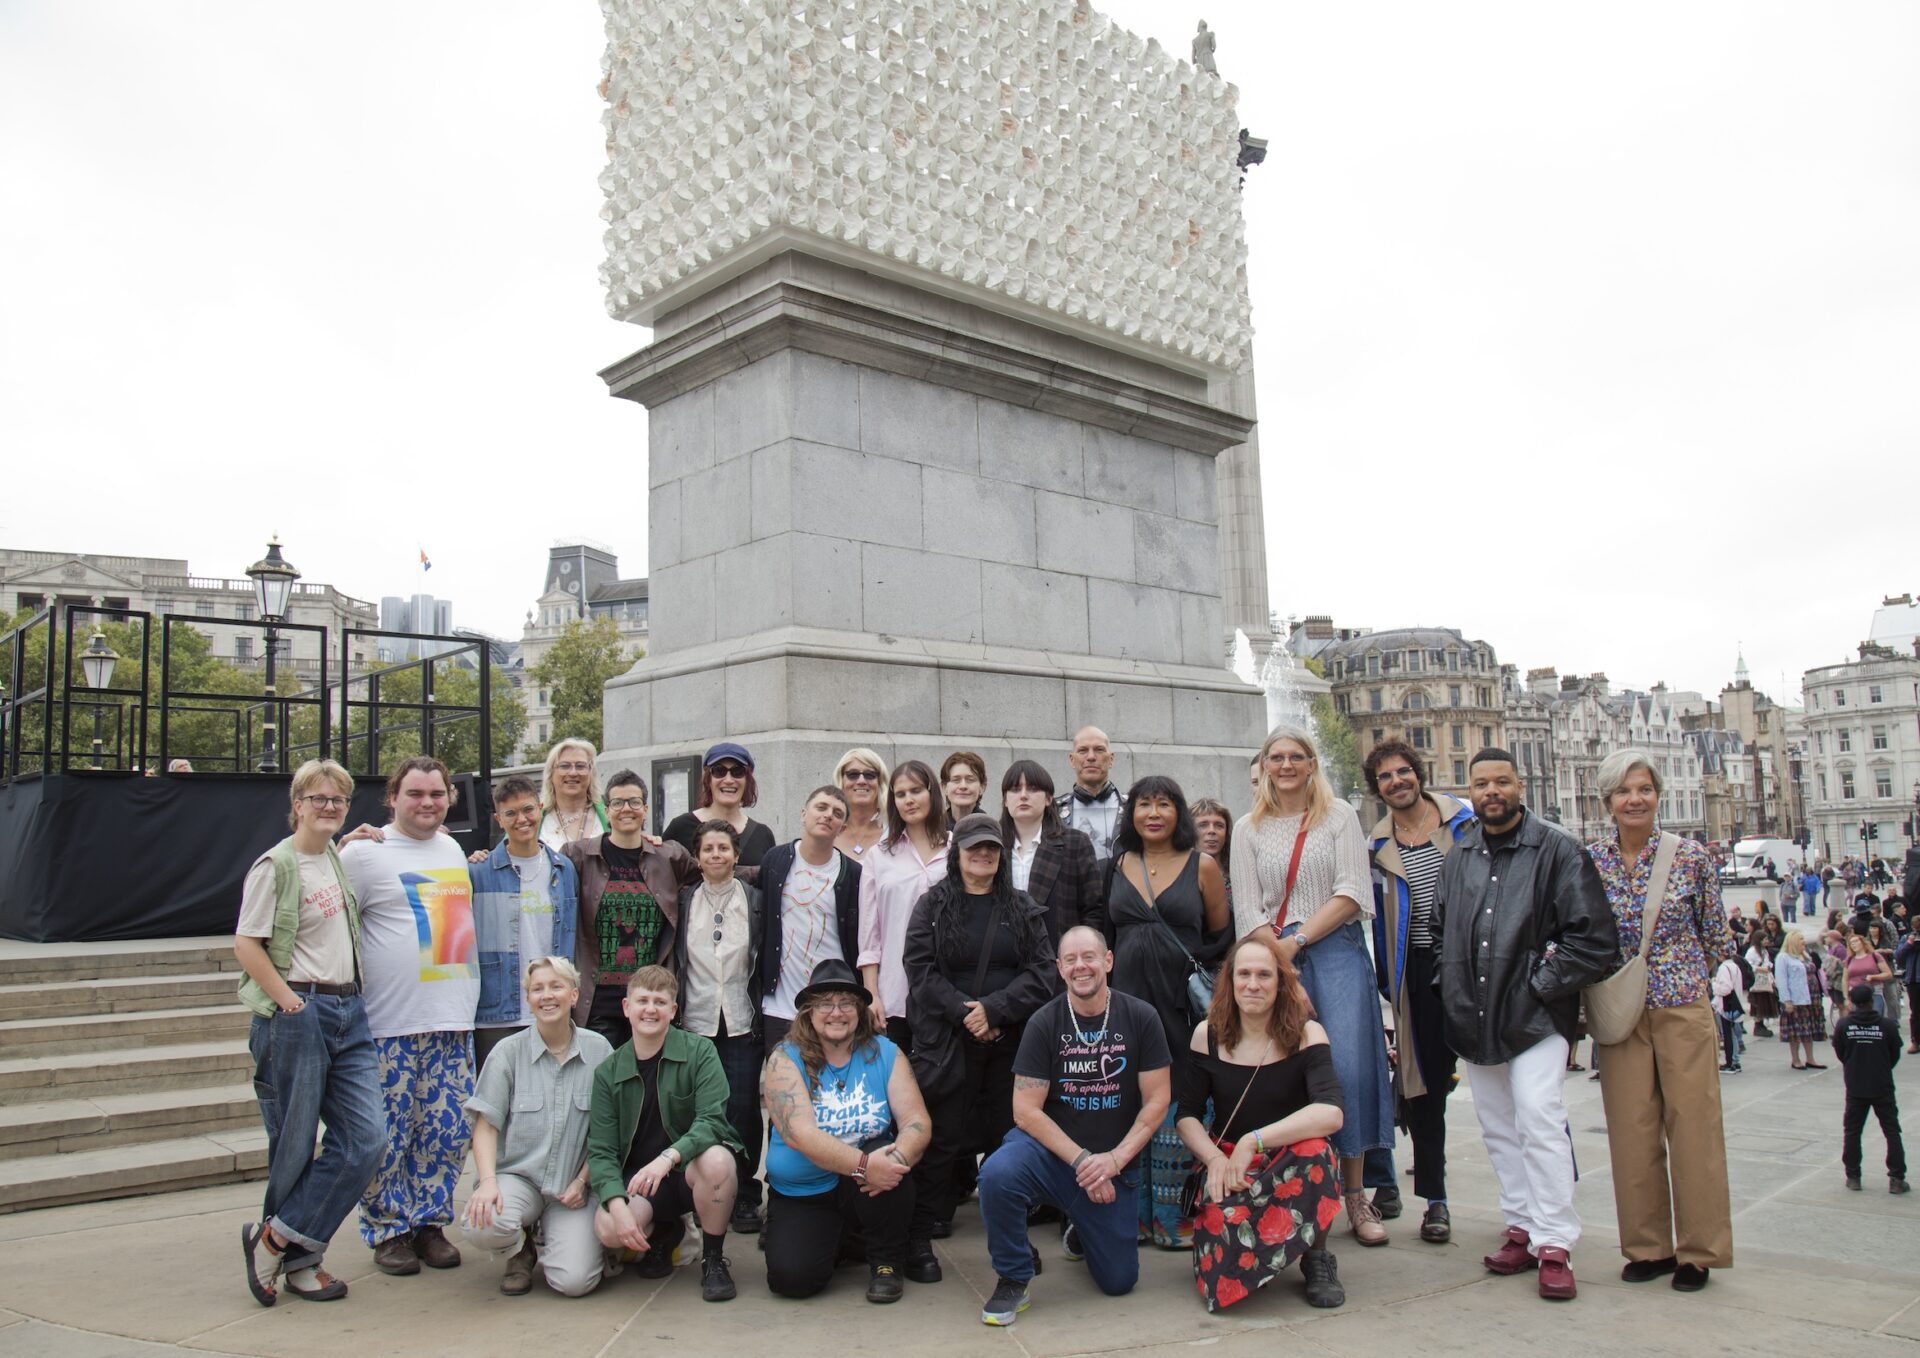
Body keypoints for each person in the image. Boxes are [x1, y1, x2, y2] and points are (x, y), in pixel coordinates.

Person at [1431, 748, 1620, 1302]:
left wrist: (1538, 985)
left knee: (1540, 1117)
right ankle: (1521, 1224)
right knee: (1495, 1124)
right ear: (1470, 792)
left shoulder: (1558, 849)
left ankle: (1555, 1240)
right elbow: (1441, 930)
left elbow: (1595, 940)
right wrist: (1452, 984)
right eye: (1480, 784)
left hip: (1535, 1015)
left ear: (1519, 786)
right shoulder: (1460, 853)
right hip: (1473, 1013)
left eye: (1501, 782)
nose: (1491, 792)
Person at [1231, 727, 1394, 1249]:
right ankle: (1292, 1188)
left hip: (1332, 950)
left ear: (1311, 763)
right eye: (1275, 756)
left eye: (1295, 756)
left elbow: (1351, 890)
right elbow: (1247, 910)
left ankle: (1354, 1193)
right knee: (1279, 1070)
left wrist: (1296, 942)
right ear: (1265, 764)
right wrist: (1280, 958)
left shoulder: (1339, 815)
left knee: (1346, 1069)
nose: (1285, 765)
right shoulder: (1246, 828)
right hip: (1273, 956)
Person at [234, 758, 383, 1306]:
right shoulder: (276, 866)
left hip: (350, 1011)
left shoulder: (335, 860)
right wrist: (290, 1003)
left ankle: (275, 1237)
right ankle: (301, 1261)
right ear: (296, 804)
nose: (328, 807)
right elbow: (247, 943)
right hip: (300, 1010)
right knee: (294, 1143)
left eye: (338, 800)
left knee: (367, 1140)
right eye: (317, 799)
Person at [1584, 750, 1733, 1292]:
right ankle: (1648, 1247)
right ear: (1607, 802)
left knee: (1694, 1127)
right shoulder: (1591, 862)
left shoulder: (1691, 858)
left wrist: (1682, 977)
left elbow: (1717, 937)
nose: (1635, 800)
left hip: (1680, 1004)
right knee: (1632, 1129)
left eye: (1644, 789)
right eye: (1623, 792)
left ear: (1658, 795)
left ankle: (1699, 1251)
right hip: (1620, 1010)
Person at [975, 925, 1172, 1325]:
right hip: (1052, 1155)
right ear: (1059, 968)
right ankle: (1013, 1276)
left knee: (1119, 1281)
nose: (1081, 967)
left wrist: (1114, 1160)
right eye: (1071, 960)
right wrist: (1083, 1161)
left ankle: (1083, 1230)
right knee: (996, 1173)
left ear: (1108, 961)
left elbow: (1157, 1100)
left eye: (1089, 957)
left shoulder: (1140, 1017)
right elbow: (1025, 1111)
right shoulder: (1044, 1023)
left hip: (1112, 1162)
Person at [337, 755, 481, 1277]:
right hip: (389, 1022)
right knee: (389, 1134)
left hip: (451, 1017)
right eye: (415, 794)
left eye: (437, 794)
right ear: (392, 798)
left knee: (445, 1132)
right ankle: (388, 1229)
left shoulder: (451, 849)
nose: (426, 803)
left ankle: (429, 1223)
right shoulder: (364, 855)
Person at [903, 813, 1057, 1284]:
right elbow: (919, 969)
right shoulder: (932, 906)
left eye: (991, 848)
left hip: (1007, 1045)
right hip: (947, 1046)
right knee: (940, 1141)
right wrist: (966, 1014)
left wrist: (994, 1010)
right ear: (958, 854)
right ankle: (918, 1240)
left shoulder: (1023, 908)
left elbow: (1044, 972)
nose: (984, 855)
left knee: (1005, 1142)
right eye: (975, 848)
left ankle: (1011, 1239)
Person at [1176, 929, 1347, 1312]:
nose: (1253, 984)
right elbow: (1186, 1116)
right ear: (1230, 981)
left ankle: (1316, 1257)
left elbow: (1331, 1112)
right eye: (1244, 974)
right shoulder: (1208, 1034)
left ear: (1281, 982)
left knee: (1317, 1154)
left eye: (1264, 975)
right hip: (1231, 1164)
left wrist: (1255, 1139)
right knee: (1223, 1279)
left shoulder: (1306, 1034)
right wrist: (1215, 1159)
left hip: (1286, 1161)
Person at [760, 960, 932, 1303]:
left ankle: (886, 1261)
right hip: (805, 1189)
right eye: (825, 1003)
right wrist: (865, 1166)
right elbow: (800, 1135)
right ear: (809, 1013)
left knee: (888, 1152)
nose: (835, 1012)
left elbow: (917, 1122)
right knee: (793, 1280)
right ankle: (840, 1241)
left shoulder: (885, 1052)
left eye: (846, 1003)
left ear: (860, 1010)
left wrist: (895, 1159)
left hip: (867, 1186)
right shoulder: (784, 1058)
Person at [1105, 776, 1230, 1247]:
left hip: (1182, 1005)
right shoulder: (1116, 865)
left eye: (1163, 804)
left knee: (1181, 1101)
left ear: (1178, 812)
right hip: (1128, 1003)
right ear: (1131, 813)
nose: (1153, 813)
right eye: (1143, 804)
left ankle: (1175, 1217)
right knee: (1131, 1100)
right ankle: (1133, 1216)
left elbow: (1219, 936)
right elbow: (1108, 934)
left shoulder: (1204, 866)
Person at [1363, 739, 1474, 1245]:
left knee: (1517, 1089)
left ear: (1419, 773)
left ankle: (1539, 1204)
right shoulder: (1377, 845)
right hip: (1417, 969)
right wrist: (1388, 978)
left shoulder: (1465, 824)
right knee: (1426, 1092)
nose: (1397, 782)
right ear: (1377, 788)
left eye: (1403, 772)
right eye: (1385, 777)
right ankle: (1436, 1202)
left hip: (1476, 966)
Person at [586, 966, 742, 1301]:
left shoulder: (700, 1052)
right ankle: (665, 1231)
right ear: (627, 1008)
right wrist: (616, 1203)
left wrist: (668, 1158)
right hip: (642, 1182)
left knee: (718, 1160)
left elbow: (712, 1121)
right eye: (642, 1000)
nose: (650, 1009)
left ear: (673, 1011)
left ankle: (713, 1258)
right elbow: (601, 1151)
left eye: (660, 1002)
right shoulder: (607, 1072)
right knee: (608, 1229)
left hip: (688, 1172)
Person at [460, 956, 612, 1296]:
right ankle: (519, 1248)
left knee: (574, 1283)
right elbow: (485, 1125)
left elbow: (608, 1131)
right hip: (519, 1179)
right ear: (528, 999)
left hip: (570, 1190)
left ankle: (565, 1240)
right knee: (481, 1223)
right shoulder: (507, 1053)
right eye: (537, 989)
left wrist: (582, 1181)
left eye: (556, 987)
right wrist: (487, 1183)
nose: (547, 996)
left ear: (574, 995)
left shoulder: (599, 1050)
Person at [673, 820, 767, 1235]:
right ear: (698, 855)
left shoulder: (755, 899)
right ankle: (701, 1192)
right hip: (696, 1019)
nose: (716, 855)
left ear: (736, 854)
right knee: (698, 1111)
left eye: (723, 848)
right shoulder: (683, 900)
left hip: (741, 1019)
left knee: (744, 1107)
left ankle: (745, 1194)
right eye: (708, 848)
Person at [565, 771, 699, 1049]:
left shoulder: (669, 856)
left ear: (646, 809)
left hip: (651, 1000)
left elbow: (713, 872)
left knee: (650, 1087)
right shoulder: (578, 856)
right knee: (603, 1083)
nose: (626, 809)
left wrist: (773, 869)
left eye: (634, 802)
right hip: (599, 1003)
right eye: (618, 803)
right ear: (606, 809)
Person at [470, 774, 580, 1073]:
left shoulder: (563, 868)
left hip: (551, 1007)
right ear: (498, 819)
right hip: (497, 1012)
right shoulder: (479, 872)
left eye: (528, 809)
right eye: (511, 813)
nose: (522, 819)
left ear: (540, 809)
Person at [757, 786, 863, 1047]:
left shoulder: (852, 874)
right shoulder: (775, 860)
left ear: (843, 827)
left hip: (832, 1006)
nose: (828, 815)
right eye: (821, 808)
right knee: (783, 1083)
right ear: (804, 814)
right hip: (780, 1005)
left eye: (838, 813)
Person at [858, 760, 951, 1050]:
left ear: (932, 793)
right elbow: (869, 933)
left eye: (916, 790)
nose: (909, 800)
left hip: (950, 986)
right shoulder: (879, 856)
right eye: (900, 794)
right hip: (895, 992)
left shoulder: (957, 848)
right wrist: (871, 993)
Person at [1001, 759, 1102, 943]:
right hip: (1004, 959)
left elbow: (1093, 909)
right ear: (1006, 801)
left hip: (1057, 957)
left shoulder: (1075, 843)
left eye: (1032, 789)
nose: (1023, 795)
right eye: (1015, 789)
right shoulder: (993, 848)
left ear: (1048, 799)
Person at [1833, 984, 1908, 1194]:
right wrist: (1882, 1067)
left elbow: (1841, 1052)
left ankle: (1853, 1175)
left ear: (1854, 1003)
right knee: (1892, 1131)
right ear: (1871, 1001)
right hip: (1881, 1084)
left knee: (1852, 1131)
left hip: (1856, 1085)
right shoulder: (1886, 1026)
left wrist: (1854, 1066)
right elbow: (1894, 1054)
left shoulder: (1844, 1025)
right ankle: (1896, 1178)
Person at [662, 743, 776, 868]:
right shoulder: (680, 827)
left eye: (737, 772)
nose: (728, 780)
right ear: (708, 779)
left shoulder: (763, 835)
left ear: (747, 780)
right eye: (719, 771)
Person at [1056, 725, 1124, 862]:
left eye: (1099, 750)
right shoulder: (1053, 810)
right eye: (1083, 750)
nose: (1091, 757)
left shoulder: (1133, 807)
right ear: (1072, 760)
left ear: (1111, 759)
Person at [539, 739, 608, 851]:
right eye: (564, 766)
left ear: (591, 773)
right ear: (551, 773)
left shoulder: (609, 814)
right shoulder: (534, 818)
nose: (573, 773)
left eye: (580, 766)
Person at [1776, 932, 1827, 1071]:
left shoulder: (1805, 955)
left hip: (1811, 997)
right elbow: (1781, 980)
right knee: (1796, 1030)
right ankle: (1796, 1059)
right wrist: (1787, 1000)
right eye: (1800, 939)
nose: (1803, 942)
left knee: (1808, 1029)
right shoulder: (1783, 957)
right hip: (1796, 999)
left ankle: (1810, 1059)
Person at [833, 747, 890, 860]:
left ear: (880, 782)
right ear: (841, 781)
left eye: (869, 775)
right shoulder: (828, 831)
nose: (861, 781)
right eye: (853, 774)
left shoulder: (895, 833)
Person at [1191, 797, 1235, 911]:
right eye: (1203, 825)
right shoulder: (1180, 875)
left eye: (1219, 825)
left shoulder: (1238, 872)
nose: (1212, 831)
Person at [1710, 947, 1746, 1073]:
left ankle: (1730, 1062)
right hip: (1734, 1004)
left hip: (1725, 1004)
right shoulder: (1735, 966)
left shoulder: (1723, 968)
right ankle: (1735, 1061)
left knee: (1727, 1034)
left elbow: (1726, 988)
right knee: (1733, 1033)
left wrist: (1714, 984)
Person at [1845, 933, 1895, 1017]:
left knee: (1876, 1018)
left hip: (1874, 992)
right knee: (1858, 1021)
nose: (1853, 944)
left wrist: (1873, 976)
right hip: (1855, 994)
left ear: (1863, 942)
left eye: (1856, 941)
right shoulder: (1849, 959)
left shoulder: (1874, 956)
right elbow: (1845, 980)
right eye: (1851, 943)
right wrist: (1846, 998)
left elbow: (1888, 974)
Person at [1745, 919, 1779, 1037]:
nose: (1767, 941)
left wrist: (1768, 967)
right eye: (1764, 939)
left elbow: (1768, 962)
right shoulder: (1752, 951)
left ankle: (1762, 1023)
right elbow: (1748, 965)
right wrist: (1760, 969)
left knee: (1764, 1002)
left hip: (1765, 979)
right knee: (1758, 1004)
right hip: (1757, 981)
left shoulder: (1764, 951)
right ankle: (1757, 1024)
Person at [941, 751, 988, 823]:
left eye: (970, 780)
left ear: (982, 787)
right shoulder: (933, 830)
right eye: (956, 780)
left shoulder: (991, 829)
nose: (963, 786)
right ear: (944, 787)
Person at [1895, 927, 1920, 1054]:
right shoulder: (1906, 938)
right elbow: (1898, 956)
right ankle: (1915, 1040)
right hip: (1913, 979)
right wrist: (1910, 943)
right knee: (1915, 1012)